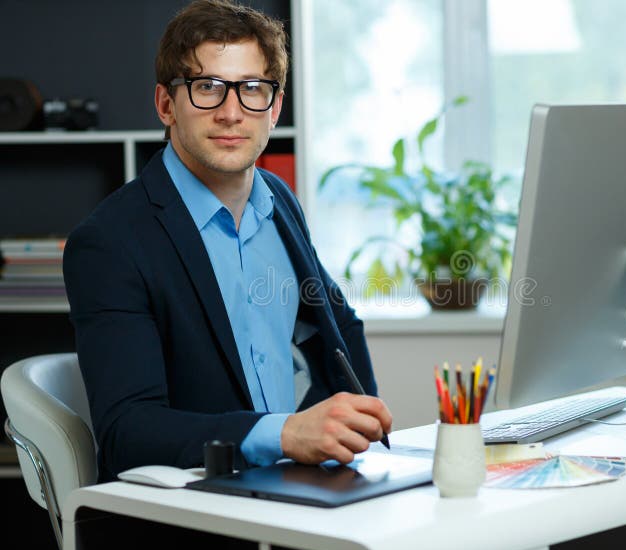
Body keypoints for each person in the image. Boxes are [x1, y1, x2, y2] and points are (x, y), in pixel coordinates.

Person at [63, 0, 392, 483]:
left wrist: (351, 432)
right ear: (165, 105)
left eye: (253, 89)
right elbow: (127, 433)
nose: (232, 112)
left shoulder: (278, 200)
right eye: (207, 88)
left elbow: (338, 324)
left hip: (298, 486)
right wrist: (283, 434)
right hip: (200, 506)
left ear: (275, 107)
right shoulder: (109, 243)